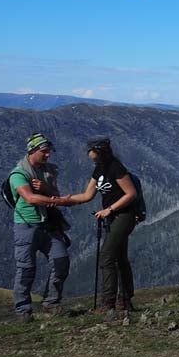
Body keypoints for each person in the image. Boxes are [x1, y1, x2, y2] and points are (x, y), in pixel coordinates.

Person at [63, 137, 140, 320]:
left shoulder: (116, 168)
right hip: (111, 217)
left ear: (99, 151)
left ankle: (109, 303)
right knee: (119, 257)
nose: (88, 155)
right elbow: (87, 195)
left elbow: (131, 194)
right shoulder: (99, 168)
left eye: (90, 151)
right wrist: (65, 200)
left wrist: (110, 209)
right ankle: (125, 300)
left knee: (106, 257)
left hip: (124, 216)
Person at [8, 132, 71, 321]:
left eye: (48, 151)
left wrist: (46, 189)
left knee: (61, 261)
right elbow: (29, 198)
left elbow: (52, 192)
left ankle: (51, 302)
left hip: (48, 225)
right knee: (26, 268)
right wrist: (61, 202)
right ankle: (23, 310)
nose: (48, 155)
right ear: (33, 151)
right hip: (27, 226)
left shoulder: (47, 171)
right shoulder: (18, 174)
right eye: (44, 151)